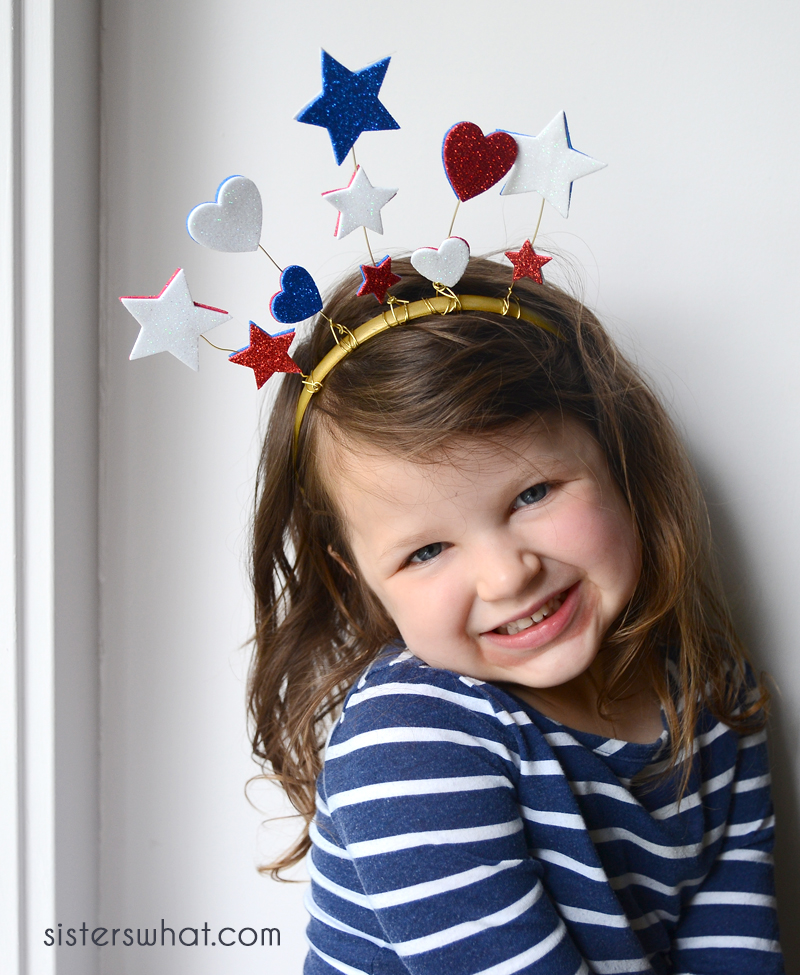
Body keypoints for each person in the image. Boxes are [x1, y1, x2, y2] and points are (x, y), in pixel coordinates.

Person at [247, 255, 783, 974]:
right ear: (362, 577)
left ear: (616, 452)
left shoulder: (718, 692)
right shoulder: (411, 742)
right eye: (428, 549)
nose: (507, 575)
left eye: (532, 495)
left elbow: (734, 950)